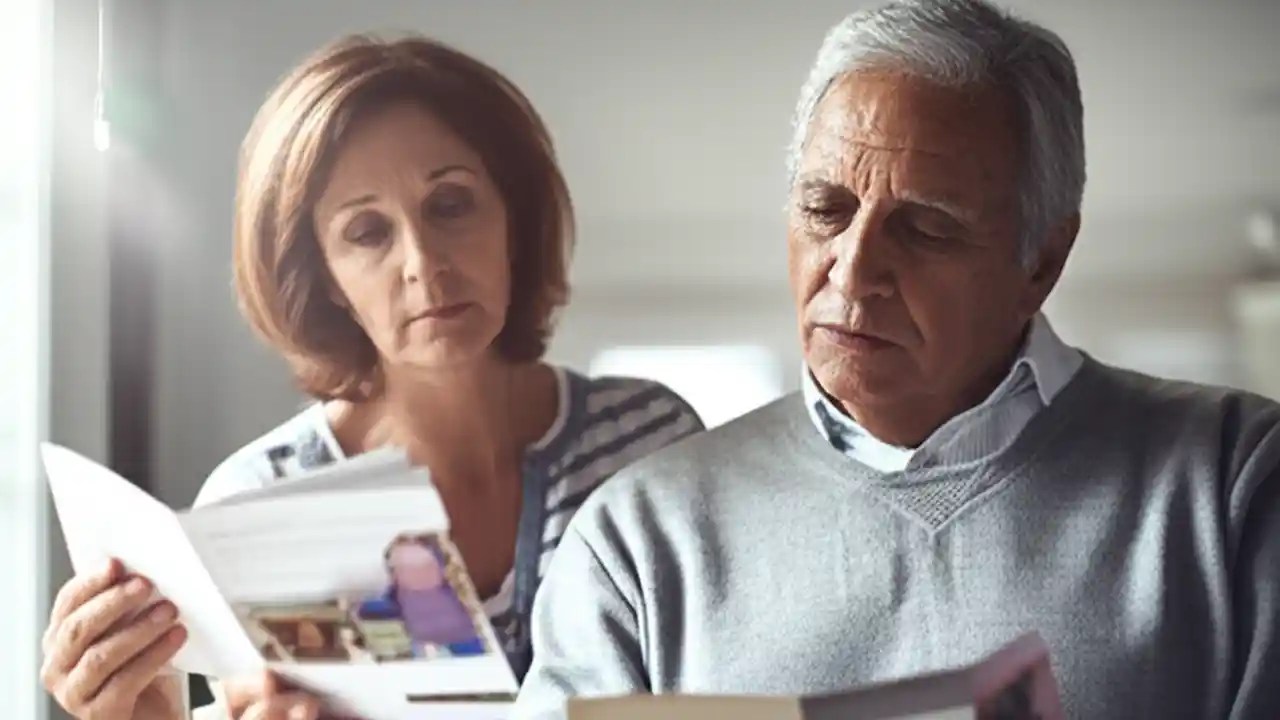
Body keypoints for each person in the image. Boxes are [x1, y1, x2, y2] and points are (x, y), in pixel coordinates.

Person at [515, 2, 1280, 719]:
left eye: (923, 228)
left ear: (1041, 262)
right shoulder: (639, 541)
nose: (852, 272)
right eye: (826, 209)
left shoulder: (1234, 484)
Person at [40, 34, 704, 720]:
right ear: (325, 278)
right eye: (367, 232)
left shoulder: (651, 442)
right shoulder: (259, 507)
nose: (423, 262)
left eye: (450, 205)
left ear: (514, 217)